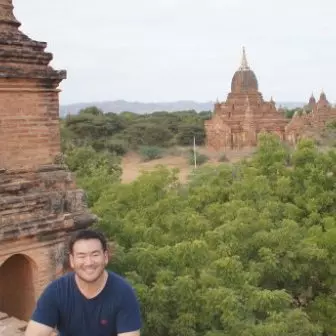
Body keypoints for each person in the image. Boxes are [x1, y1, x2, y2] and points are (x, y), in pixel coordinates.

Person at [24, 229, 141, 336]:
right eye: (81, 256)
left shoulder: (123, 292)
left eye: (95, 254)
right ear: (72, 260)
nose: (89, 262)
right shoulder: (57, 291)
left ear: (105, 257)